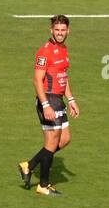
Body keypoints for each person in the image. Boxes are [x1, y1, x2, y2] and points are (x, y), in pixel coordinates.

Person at [18, 14, 80, 197]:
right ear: (51, 30)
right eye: (57, 30)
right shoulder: (44, 51)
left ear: (68, 31)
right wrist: (45, 105)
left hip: (59, 99)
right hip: (49, 99)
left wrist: (71, 100)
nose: (60, 33)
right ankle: (43, 185)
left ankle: (29, 165)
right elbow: (37, 79)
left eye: (63, 30)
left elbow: (63, 77)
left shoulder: (63, 49)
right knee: (52, 142)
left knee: (65, 139)